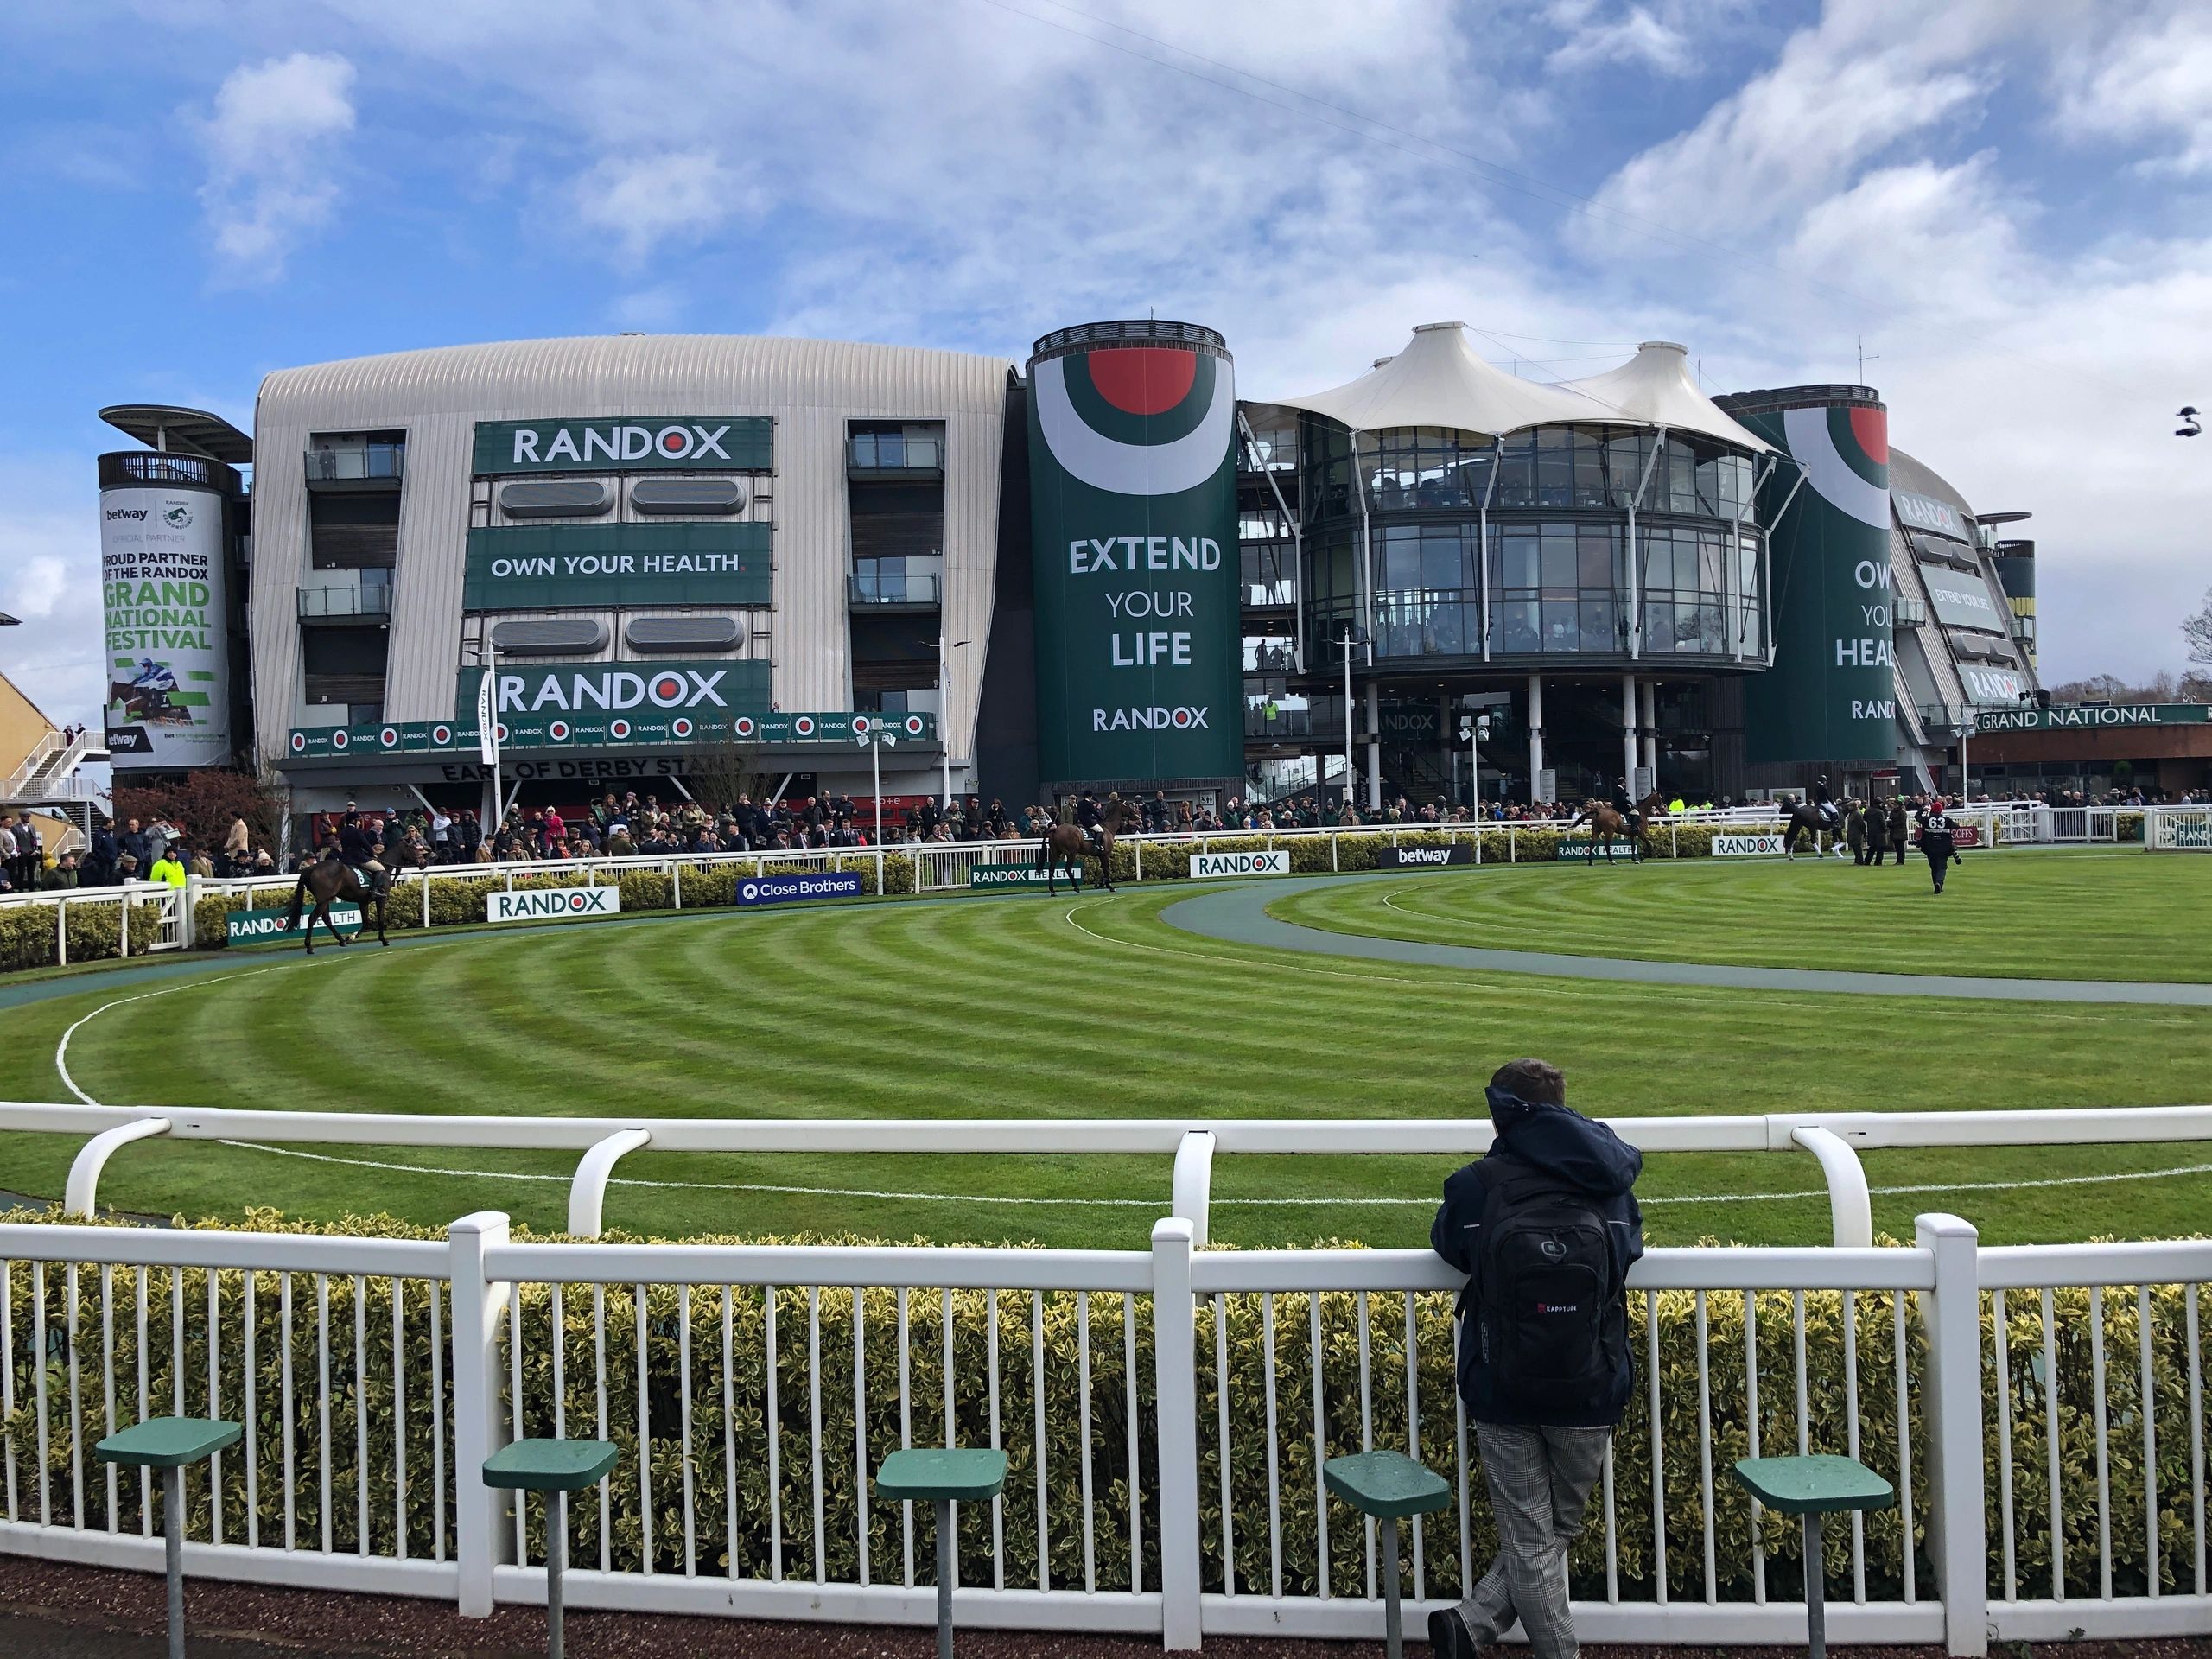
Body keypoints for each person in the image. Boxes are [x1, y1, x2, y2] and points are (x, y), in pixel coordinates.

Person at [1429, 1058, 1644, 1659]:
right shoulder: (1612, 1182)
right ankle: (1470, 1627)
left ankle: (1473, 1626)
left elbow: (1451, 1243)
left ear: (1502, 1110)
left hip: (1504, 1388)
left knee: (1534, 1539)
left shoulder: (1476, 1184)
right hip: (1591, 1385)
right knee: (1553, 1532)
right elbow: (1629, 1251)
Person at [1916, 797, 1961, 895]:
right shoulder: (1946, 820)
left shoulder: (1927, 820)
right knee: (1942, 867)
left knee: (1934, 868)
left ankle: (1936, 884)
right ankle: (1939, 883)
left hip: (1930, 847)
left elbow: (1917, 817)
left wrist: (1922, 809)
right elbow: (1957, 826)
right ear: (1941, 810)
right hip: (1944, 847)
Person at [1865, 796, 1891, 868]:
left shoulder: (1868, 811)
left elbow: (1865, 818)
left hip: (1871, 831)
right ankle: (1878, 861)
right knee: (1880, 848)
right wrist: (1886, 828)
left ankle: (1867, 861)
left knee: (1872, 847)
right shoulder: (1880, 812)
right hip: (1880, 832)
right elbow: (1882, 822)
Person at [1886, 798, 1910, 867]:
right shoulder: (1893, 812)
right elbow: (1891, 819)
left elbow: (1902, 821)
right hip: (1894, 831)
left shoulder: (1902, 812)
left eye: (1895, 805)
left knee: (1900, 847)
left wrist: (1893, 824)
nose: (1894, 806)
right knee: (1897, 847)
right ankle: (1898, 860)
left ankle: (1901, 860)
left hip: (1900, 831)